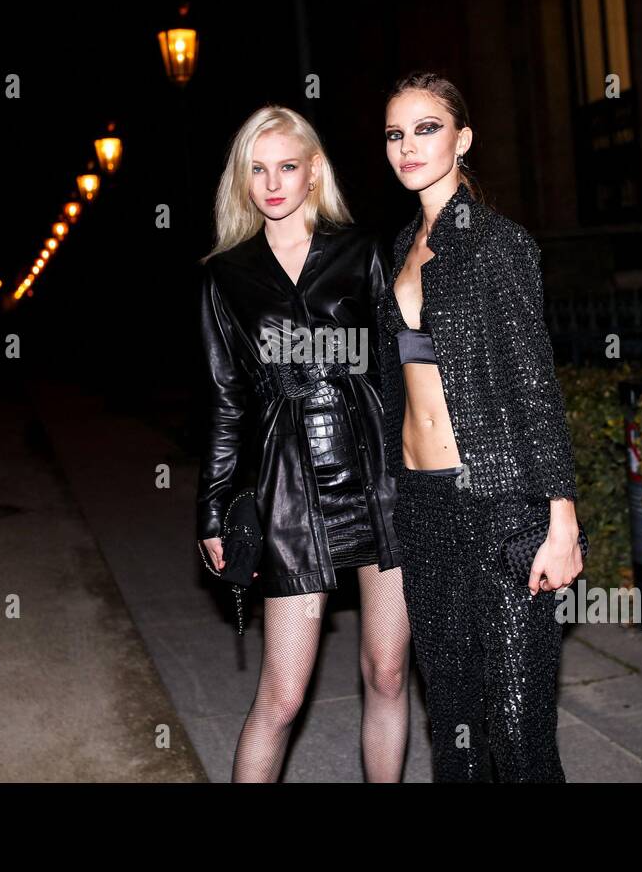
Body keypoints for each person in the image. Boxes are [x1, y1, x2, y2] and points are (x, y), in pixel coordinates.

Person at [377, 71, 583, 782]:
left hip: (500, 503)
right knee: (455, 724)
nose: (408, 146)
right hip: (424, 505)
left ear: (462, 139)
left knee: (520, 732)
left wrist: (561, 522)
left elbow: (535, 385)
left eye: (427, 128)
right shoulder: (400, 247)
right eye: (396, 134)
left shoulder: (498, 245)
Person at [197, 104, 410, 782]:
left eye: (287, 166)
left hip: (377, 477)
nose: (273, 183)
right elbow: (228, 400)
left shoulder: (363, 252)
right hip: (288, 491)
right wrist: (212, 509)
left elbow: (397, 369)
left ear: (314, 170)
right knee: (283, 697)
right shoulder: (226, 274)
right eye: (257, 170)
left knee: (388, 670)